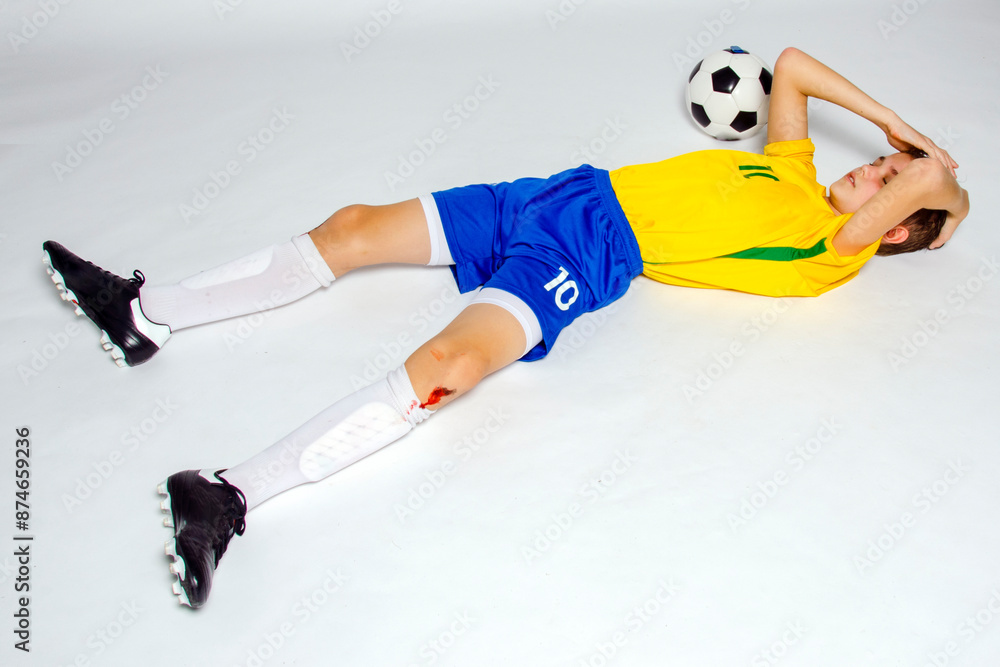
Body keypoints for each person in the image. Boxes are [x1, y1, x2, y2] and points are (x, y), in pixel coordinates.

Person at [41, 47, 968, 608]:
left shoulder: (828, 248)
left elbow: (940, 183)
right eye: (883, 164)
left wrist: (925, 167)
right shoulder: (794, 168)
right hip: (561, 193)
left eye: (888, 182)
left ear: (887, 232)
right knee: (356, 225)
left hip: (594, 253)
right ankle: (144, 310)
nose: (878, 169)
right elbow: (797, 60)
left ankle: (229, 495)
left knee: (449, 364)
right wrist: (890, 123)